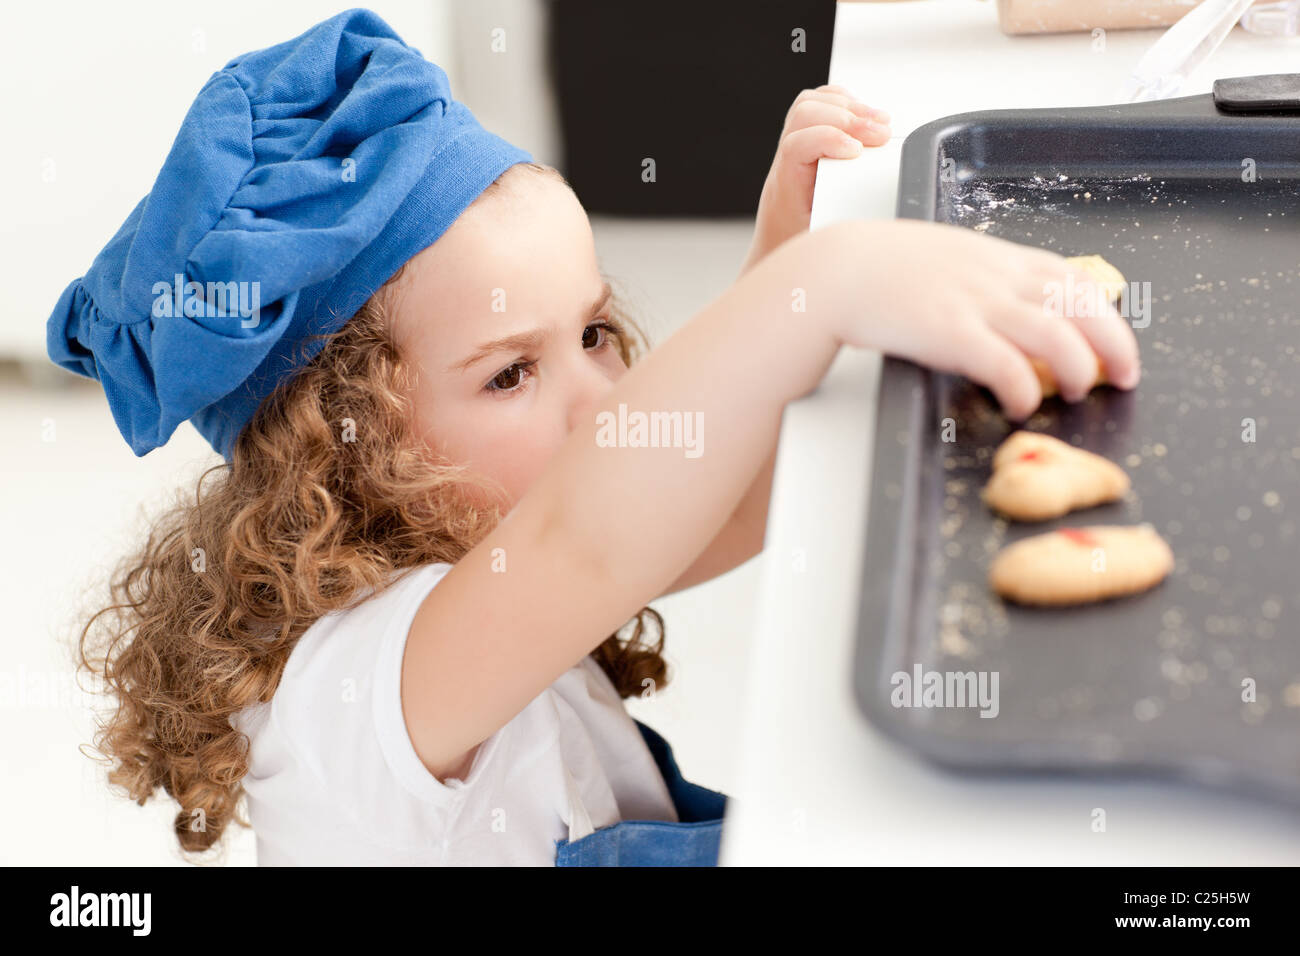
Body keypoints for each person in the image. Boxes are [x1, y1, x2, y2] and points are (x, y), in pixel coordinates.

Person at [48, 8, 1139, 866]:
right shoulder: (354, 696)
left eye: (596, 330)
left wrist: (774, 262)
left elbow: (706, 501)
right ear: (339, 445)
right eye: (513, 371)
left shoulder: (473, 543)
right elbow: (594, 538)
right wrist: (816, 290)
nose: (603, 401)